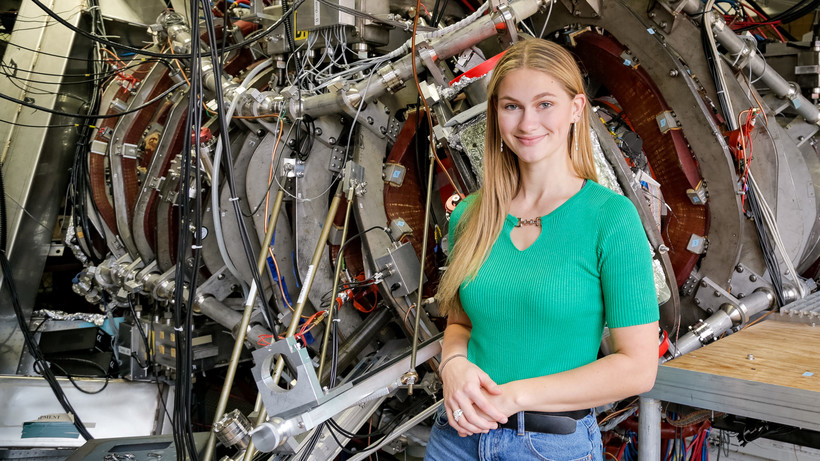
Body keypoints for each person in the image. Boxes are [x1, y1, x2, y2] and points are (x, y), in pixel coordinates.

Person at [425, 38, 659, 461]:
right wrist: (452, 365)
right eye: (512, 105)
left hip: (550, 446)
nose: (527, 122)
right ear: (496, 115)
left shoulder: (611, 219)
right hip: (455, 439)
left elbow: (638, 368)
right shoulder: (470, 216)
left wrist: (517, 395)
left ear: (576, 109)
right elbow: (460, 326)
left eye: (545, 104)